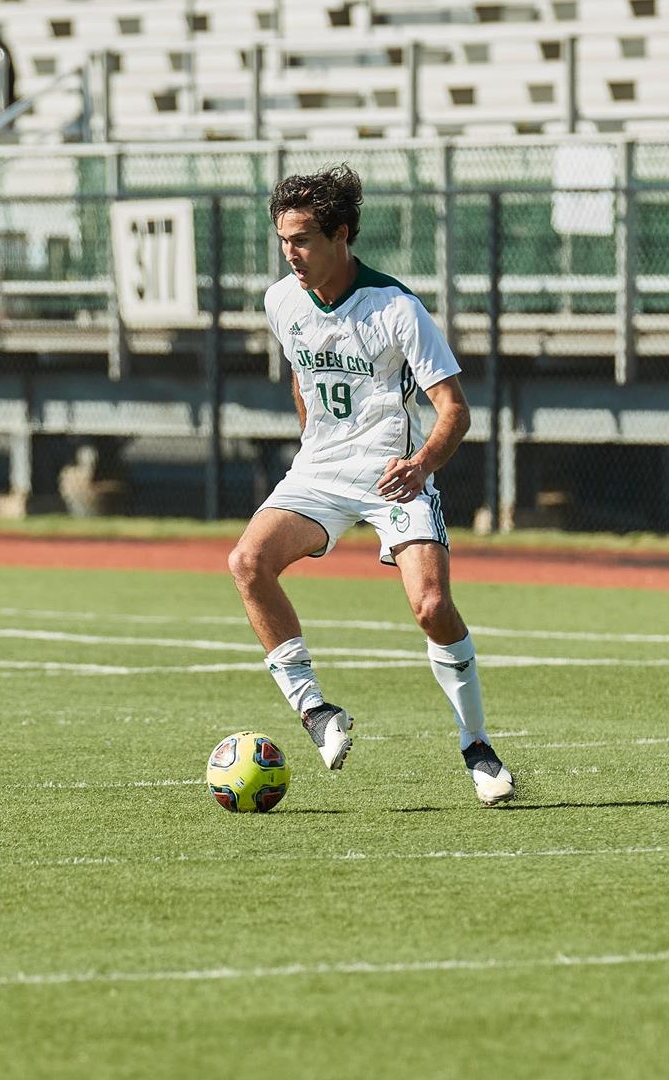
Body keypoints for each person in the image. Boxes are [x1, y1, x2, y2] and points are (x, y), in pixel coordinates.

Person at [227, 165, 515, 808]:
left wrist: (421, 465)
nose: (291, 254)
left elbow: (455, 411)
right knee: (248, 561)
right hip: (321, 471)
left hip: (396, 473)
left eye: (303, 239)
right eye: (283, 241)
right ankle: (316, 712)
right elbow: (303, 377)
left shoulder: (396, 308)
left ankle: (477, 747)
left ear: (342, 235)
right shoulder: (281, 301)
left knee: (432, 608)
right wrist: (313, 449)